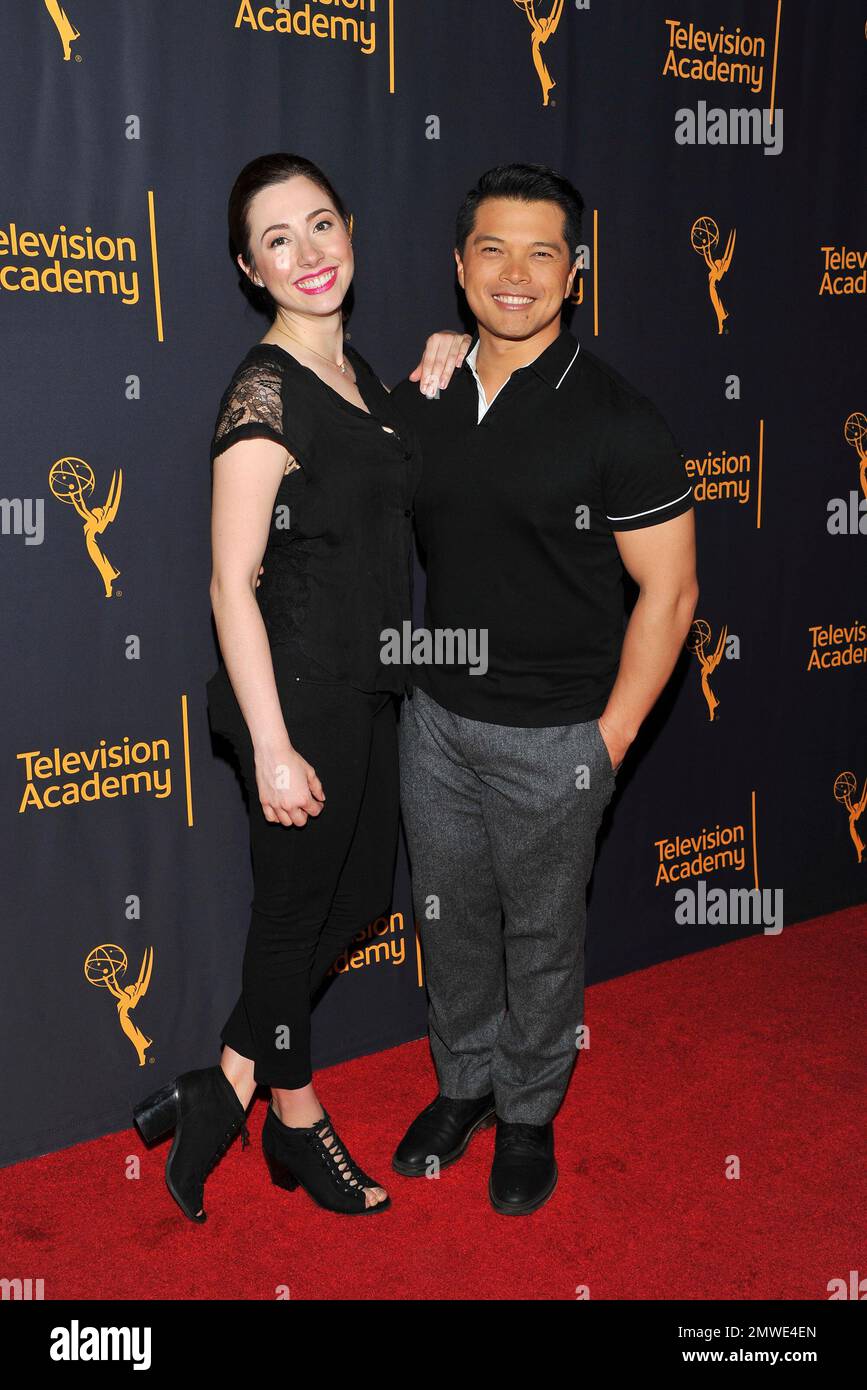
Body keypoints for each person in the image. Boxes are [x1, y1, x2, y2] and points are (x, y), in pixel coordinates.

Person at [132, 153, 467, 1221]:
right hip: (298, 693)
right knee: (289, 923)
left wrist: (432, 369)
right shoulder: (263, 388)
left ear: (351, 231)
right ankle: (295, 1115)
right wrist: (273, 745)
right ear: (249, 267)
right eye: (280, 239)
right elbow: (232, 581)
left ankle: (216, 1089)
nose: (309, 253)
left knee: (360, 900)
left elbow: (382, 467)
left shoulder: (356, 376)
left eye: (322, 225)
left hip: (369, 687)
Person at [388, 163, 698, 1215]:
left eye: (541, 252)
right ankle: (463, 1085)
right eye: (492, 249)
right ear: (458, 267)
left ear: (577, 270)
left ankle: (526, 1112)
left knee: (545, 937)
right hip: (435, 725)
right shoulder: (422, 396)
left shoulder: (619, 417)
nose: (514, 274)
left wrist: (606, 742)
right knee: (453, 921)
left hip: (556, 736)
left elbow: (671, 591)